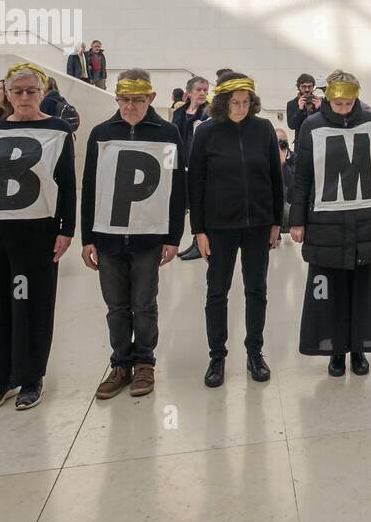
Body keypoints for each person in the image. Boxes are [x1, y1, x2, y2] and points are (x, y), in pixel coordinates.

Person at [0, 63, 76, 410]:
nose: (24, 97)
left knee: (31, 304)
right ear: (7, 95)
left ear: (41, 93)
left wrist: (66, 229)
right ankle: (1, 377)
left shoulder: (58, 129)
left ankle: (30, 377)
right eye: (18, 91)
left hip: (36, 232)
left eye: (31, 91)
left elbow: (68, 183)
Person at [81, 70, 187, 400]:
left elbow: (176, 187)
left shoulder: (168, 134)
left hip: (149, 236)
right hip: (109, 236)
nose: (130, 106)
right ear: (116, 98)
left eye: (137, 100)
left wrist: (173, 237)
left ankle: (145, 362)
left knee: (143, 304)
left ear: (150, 99)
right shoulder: (102, 133)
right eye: (124, 99)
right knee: (116, 306)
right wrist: (87, 237)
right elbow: (90, 186)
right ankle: (120, 364)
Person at [290, 69, 371, 376]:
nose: (345, 108)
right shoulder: (311, 125)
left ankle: (360, 348)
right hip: (326, 222)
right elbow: (303, 176)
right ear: (329, 100)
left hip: (365, 220)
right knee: (330, 291)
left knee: (363, 288)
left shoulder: (369, 121)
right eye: (339, 104)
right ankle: (335, 350)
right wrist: (297, 220)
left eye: (349, 103)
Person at [189, 72, 283, 387]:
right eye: (235, 103)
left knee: (257, 290)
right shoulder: (206, 133)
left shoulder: (264, 129)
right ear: (222, 103)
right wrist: (199, 231)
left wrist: (275, 222)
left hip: (257, 224)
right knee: (217, 292)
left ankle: (254, 353)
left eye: (246, 103)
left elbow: (275, 175)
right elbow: (196, 184)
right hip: (219, 227)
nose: (241, 109)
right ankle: (217, 356)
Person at [173, 75, 210, 261]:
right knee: (184, 205)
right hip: (182, 164)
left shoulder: (209, 113)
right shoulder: (179, 113)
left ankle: (199, 244)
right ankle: (191, 242)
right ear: (189, 93)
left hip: (201, 166)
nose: (203, 93)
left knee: (198, 205)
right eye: (199, 90)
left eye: (205, 90)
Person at [286, 73, 321, 139]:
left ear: (313, 87)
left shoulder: (319, 102)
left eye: (309, 86)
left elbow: (324, 124)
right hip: (300, 142)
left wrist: (318, 109)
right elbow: (291, 126)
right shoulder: (291, 104)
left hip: (317, 140)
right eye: (304, 86)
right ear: (298, 87)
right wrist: (300, 110)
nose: (307, 90)